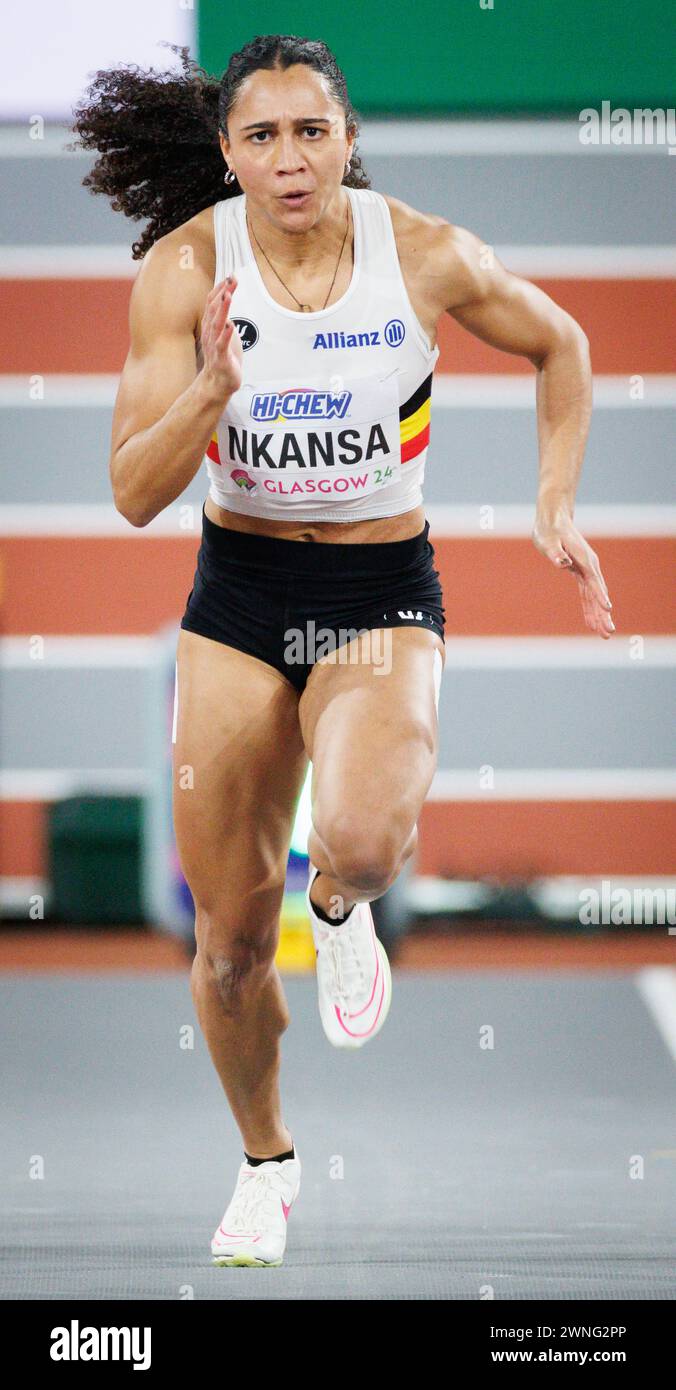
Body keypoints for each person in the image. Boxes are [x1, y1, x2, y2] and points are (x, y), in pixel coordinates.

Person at [72, 34, 613, 1269]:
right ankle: (266, 1163)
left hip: (378, 587)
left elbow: (561, 345)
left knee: (364, 839)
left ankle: (345, 903)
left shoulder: (421, 253)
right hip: (240, 595)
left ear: (347, 139)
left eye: (311, 131)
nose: (290, 158)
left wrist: (554, 502)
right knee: (227, 948)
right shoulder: (180, 271)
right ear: (227, 157)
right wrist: (208, 394)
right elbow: (128, 493)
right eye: (260, 137)